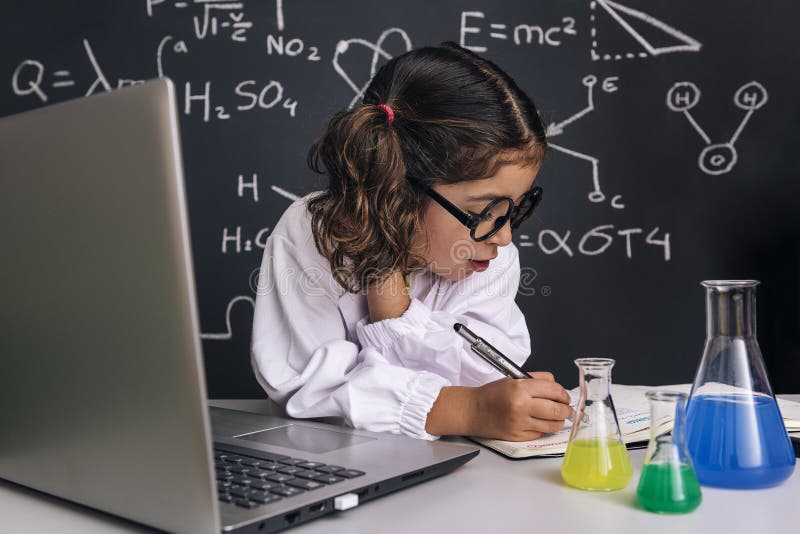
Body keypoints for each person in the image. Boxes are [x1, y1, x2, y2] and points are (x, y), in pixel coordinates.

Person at [251, 41, 573, 441]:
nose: (504, 236)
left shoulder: (488, 254)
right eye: (483, 211)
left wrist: (394, 312)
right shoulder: (309, 234)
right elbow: (306, 389)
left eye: (514, 209)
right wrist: (466, 410)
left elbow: (485, 375)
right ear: (399, 192)